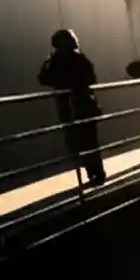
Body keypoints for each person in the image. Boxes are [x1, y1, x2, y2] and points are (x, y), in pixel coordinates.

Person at [38, 29, 106, 184]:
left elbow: (44, 78)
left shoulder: (56, 60)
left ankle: (91, 173)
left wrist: (47, 64)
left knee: (77, 141)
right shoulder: (80, 57)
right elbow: (91, 78)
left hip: (67, 104)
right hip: (84, 102)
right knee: (89, 140)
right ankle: (97, 173)